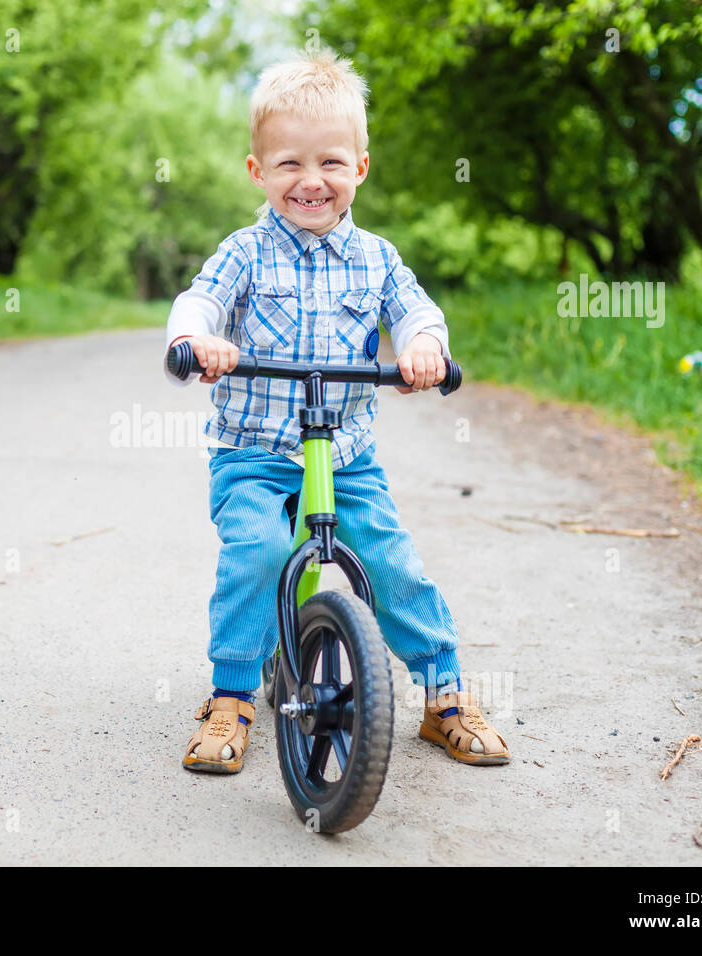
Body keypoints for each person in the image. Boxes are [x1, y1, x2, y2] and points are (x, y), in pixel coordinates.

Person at [165, 48, 510, 773]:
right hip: (254, 452)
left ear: (360, 166)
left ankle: (443, 695)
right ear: (259, 172)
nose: (310, 180)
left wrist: (422, 348)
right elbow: (199, 299)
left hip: (345, 455)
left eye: (330, 162)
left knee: (391, 561)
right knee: (258, 553)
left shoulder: (378, 259)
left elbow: (417, 311)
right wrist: (198, 338)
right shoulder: (245, 252)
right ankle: (232, 696)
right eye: (289, 164)